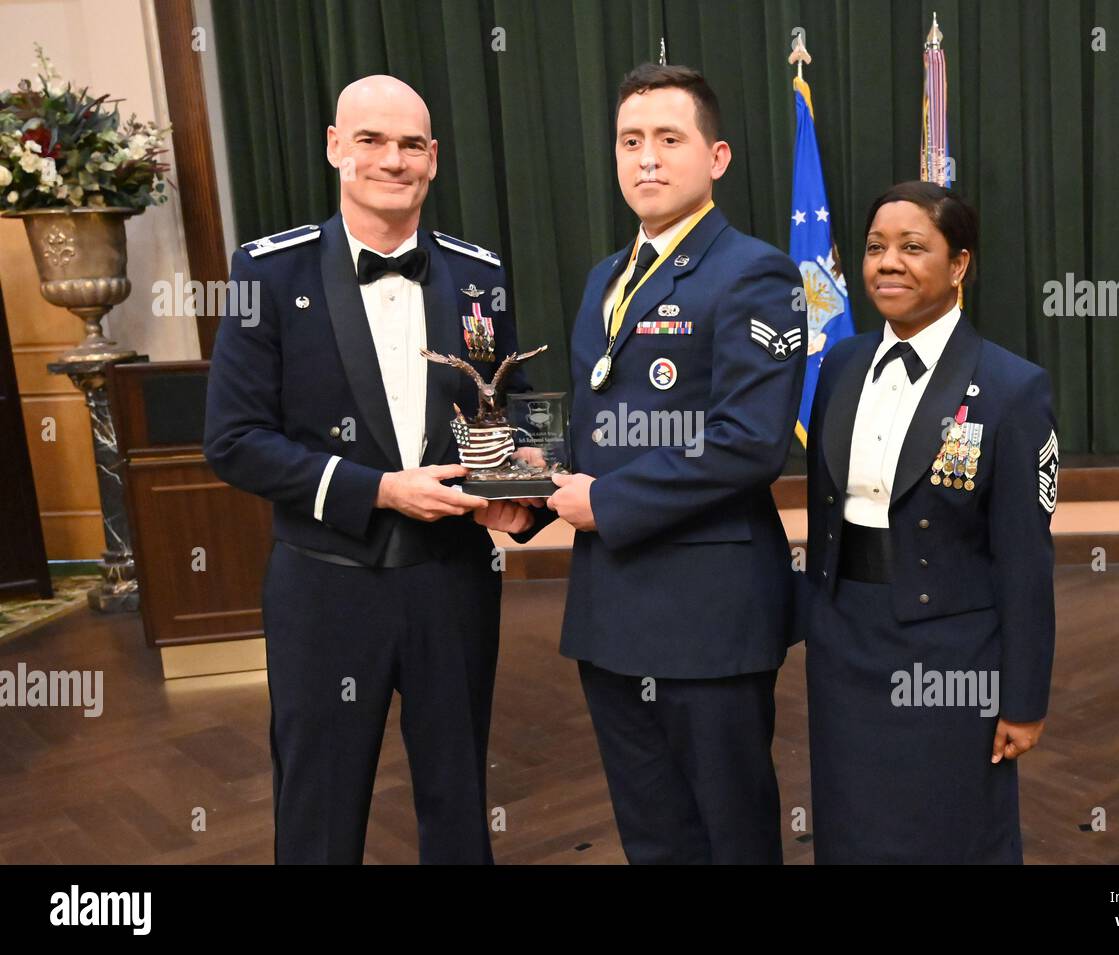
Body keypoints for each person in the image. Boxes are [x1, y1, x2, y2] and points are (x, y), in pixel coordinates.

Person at [204, 75, 534, 864]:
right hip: (325, 585)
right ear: (333, 148)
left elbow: (503, 414)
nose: (393, 159)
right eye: (371, 140)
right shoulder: (267, 272)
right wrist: (377, 490)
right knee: (318, 808)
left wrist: (520, 495)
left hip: (453, 580)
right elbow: (234, 438)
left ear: (434, 161)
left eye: (411, 144)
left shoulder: (478, 272)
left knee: (460, 803)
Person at [513, 63, 806, 864]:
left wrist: (604, 501)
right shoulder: (603, 278)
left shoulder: (757, 272)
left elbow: (750, 440)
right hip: (611, 609)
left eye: (668, 140)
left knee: (730, 834)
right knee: (652, 835)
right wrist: (536, 489)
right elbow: (597, 430)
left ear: (717, 158)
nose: (646, 158)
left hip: (709, 609)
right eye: (630, 140)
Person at [802, 180, 1057, 863]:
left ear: (959, 264)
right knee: (851, 825)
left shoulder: (1011, 387)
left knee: (951, 828)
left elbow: (1025, 557)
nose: (889, 262)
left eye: (914, 247)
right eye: (876, 247)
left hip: (949, 656)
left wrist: (1024, 696)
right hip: (843, 639)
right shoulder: (840, 364)